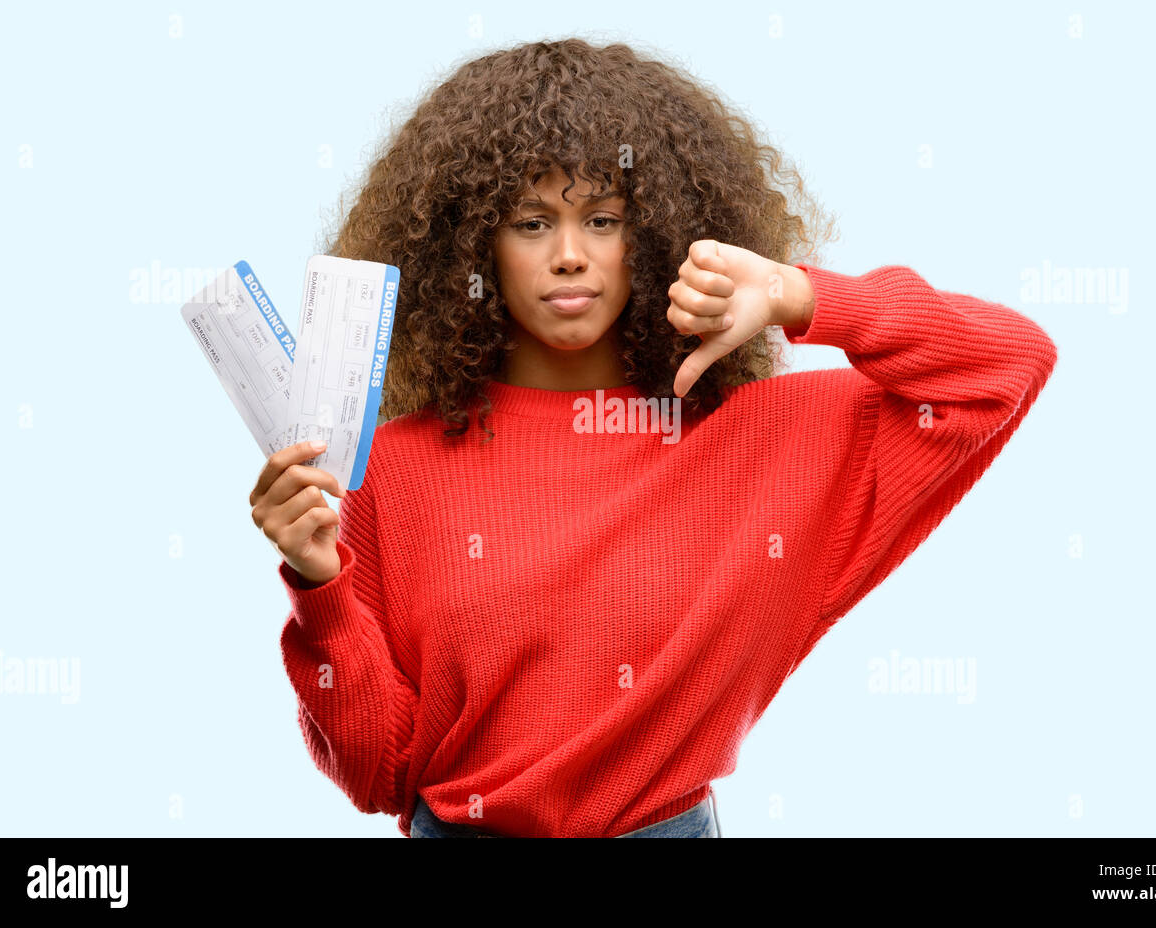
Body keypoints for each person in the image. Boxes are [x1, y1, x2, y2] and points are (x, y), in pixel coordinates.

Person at [248, 38, 1058, 838]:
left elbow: (1006, 363)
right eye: (531, 222)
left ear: (657, 235)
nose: (569, 256)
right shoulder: (392, 468)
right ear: (473, 247)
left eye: (602, 219)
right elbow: (377, 775)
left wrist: (794, 293)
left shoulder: (765, 440)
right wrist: (317, 583)